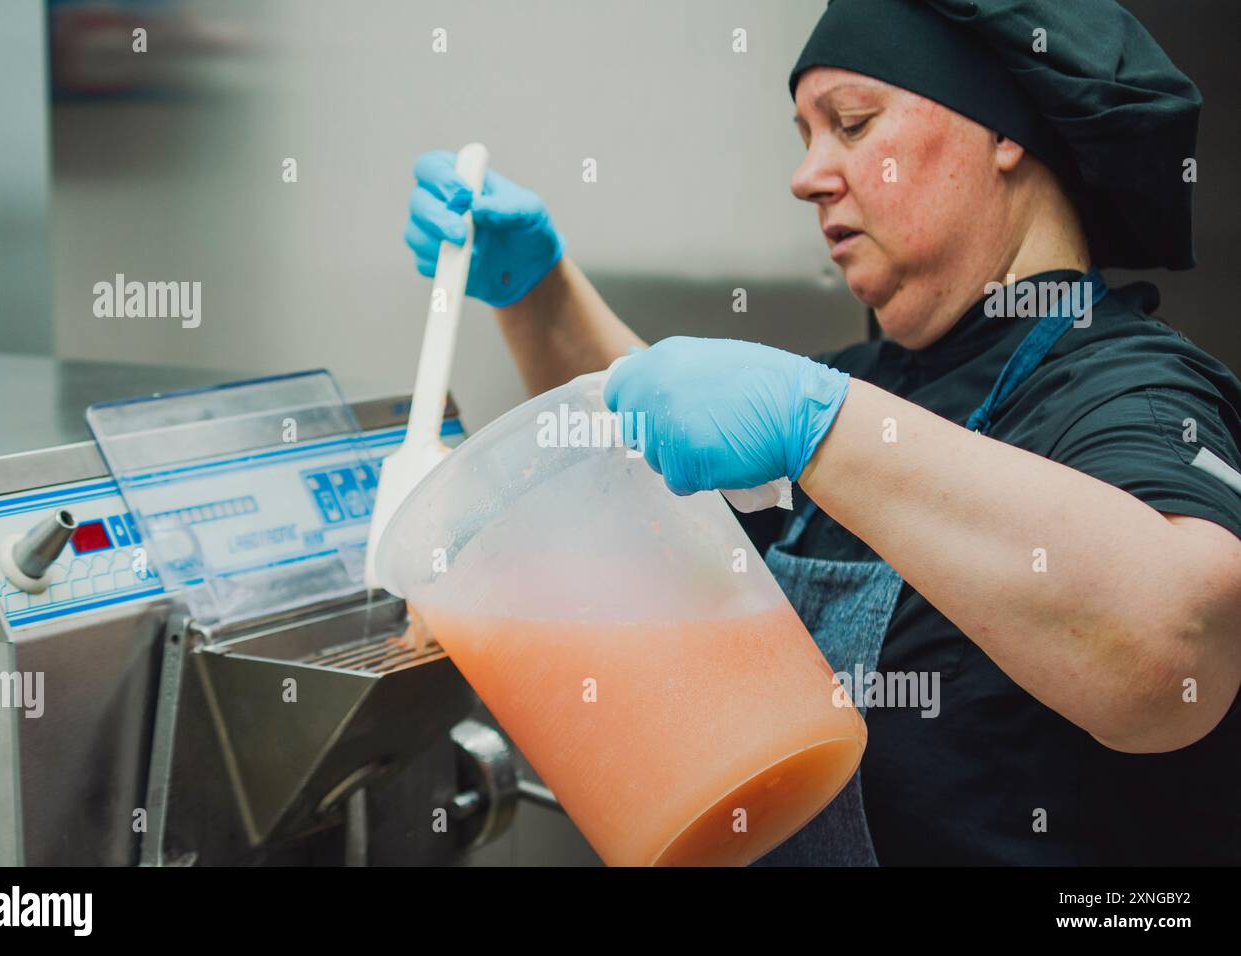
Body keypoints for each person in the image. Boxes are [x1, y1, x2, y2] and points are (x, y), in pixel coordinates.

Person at [402, 0, 1241, 865]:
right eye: (805, 136)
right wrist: (537, 293)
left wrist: (820, 423)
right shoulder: (873, 382)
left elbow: (1177, 652)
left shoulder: (1127, 390)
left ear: (1003, 133)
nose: (807, 177)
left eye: (853, 122)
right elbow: (652, 485)